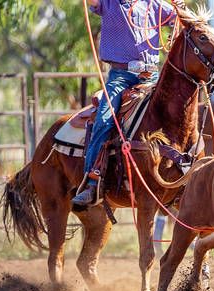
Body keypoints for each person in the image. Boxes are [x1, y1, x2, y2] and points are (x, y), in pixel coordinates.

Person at [72, 0, 180, 208]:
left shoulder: (154, 4)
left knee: (180, 111)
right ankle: (93, 181)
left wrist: (180, 9)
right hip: (122, 76)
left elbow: (180, 19)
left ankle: (185, 172)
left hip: (154, 76)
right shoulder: (109, 3)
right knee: (104, 119)